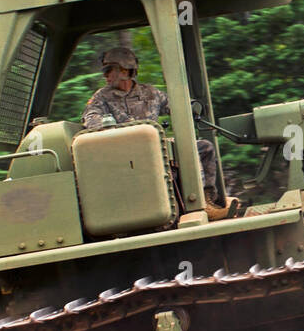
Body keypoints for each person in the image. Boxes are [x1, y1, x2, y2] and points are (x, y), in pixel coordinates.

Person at [82, 46, 239, 219]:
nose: (104, 75)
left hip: (158, 150)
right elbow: (90, 119)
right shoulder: (101, 97)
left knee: (204, 147)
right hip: (125, 157)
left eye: (108, 70)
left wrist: (192, 107)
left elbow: (177, 106)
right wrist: (110, 127)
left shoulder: (151, 93)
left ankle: (206, 202)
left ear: (124, 70)